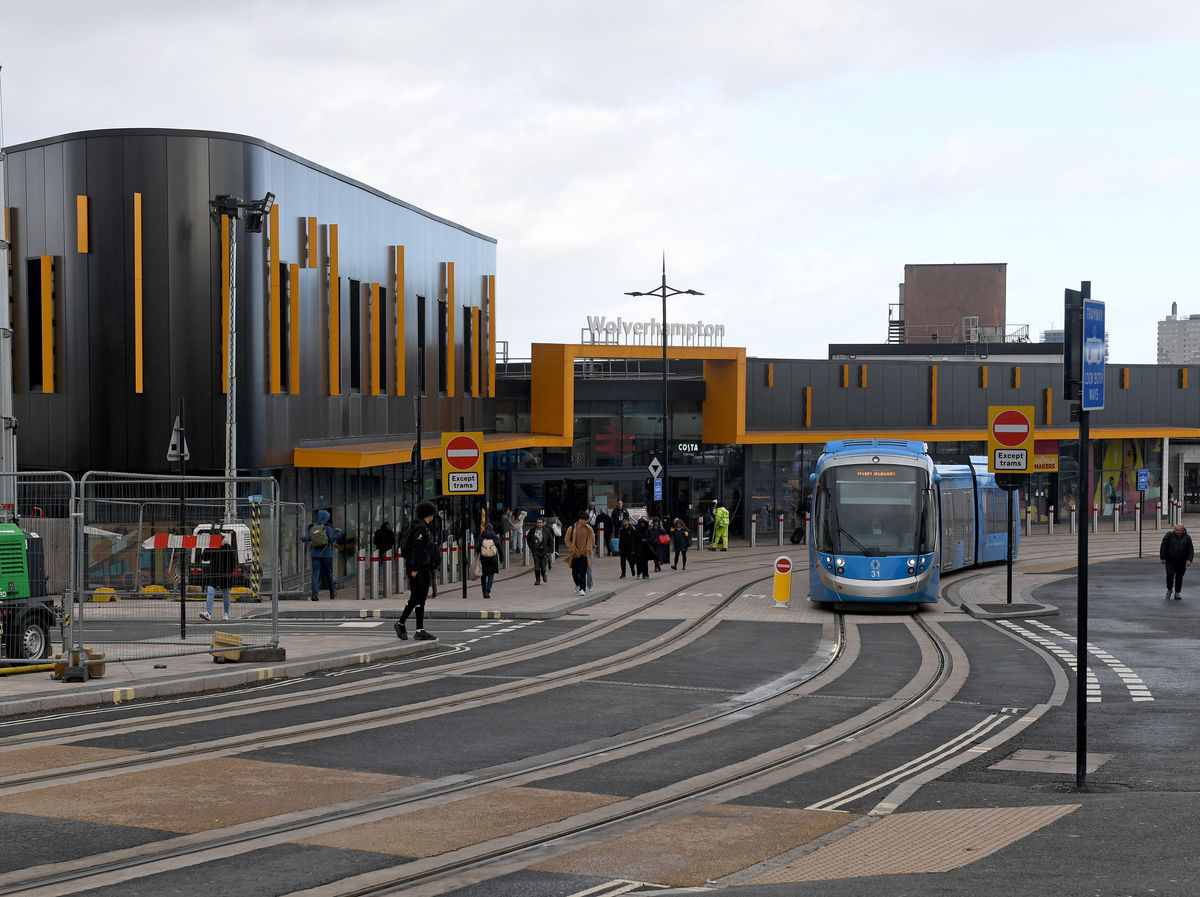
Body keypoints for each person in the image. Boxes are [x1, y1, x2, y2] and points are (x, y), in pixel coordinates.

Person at [397, 501, 438, 640]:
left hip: (422, 567)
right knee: (417, 597)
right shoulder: (420, 528)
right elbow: (417, 548)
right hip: (418, 568)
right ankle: (401, 623)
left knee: (420, 598)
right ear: (430, 514)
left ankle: (419, 629)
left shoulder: (419, 526)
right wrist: (414, 568)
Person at [301, 509, 341, 601]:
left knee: (315, 574)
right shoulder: (328, 527)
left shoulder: (313, 527)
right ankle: (332, 593)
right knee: (329, 574)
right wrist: (339, 532)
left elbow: (306, 538)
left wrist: (301, 538)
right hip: (327, 555)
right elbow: (331, 539)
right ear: (327, 517)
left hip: (315, 555)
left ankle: (315, 594)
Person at [199, 535, 235, 621]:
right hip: (220, 574)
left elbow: (204, 558)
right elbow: (205, 557)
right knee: (220, 593)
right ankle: (208, 612)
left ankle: (225, 613)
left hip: (220, 573)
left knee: (222, 593)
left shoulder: (228, 549)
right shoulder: (219, 547)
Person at [1160, 522, 1194, 600]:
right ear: (1174, 529)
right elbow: (1163, 546)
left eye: (1180, 530)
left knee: (1179, 578)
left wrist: (1189, 559)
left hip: (1181, 562)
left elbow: (1190, 550)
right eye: (1177, 530)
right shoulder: (1169, 535)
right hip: (1170, 561)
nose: (1178, 532)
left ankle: (1177, 592)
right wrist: (1163, 558)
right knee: (1170, 575)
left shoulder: (1187, 537)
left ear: (1183, 530)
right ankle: (1169, 589)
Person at [565, 510, 595, 595]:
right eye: (584, 520)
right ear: (580, 519)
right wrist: (572, 548)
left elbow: (592, 539)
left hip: (585, 554)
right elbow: (566, 540)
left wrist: (588, 548)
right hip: (575, 554)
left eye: (586, 520)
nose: (586, 522)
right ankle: (577, 585)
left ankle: (583, 589)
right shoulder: (572, 528)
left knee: (583, 572)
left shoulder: (589, 528)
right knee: (574, 572)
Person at [477, 522, 500, 599]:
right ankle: (488, 589)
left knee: (483, 576)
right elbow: (499, 547)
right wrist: (502, 558)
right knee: (491, 575)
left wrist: (477, 554)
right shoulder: (494, 537)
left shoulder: (482, 536)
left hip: (484, 559)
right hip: (493, 559)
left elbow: (477, 547)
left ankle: (484, 590)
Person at [372, 520, 396, 596]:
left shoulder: (378, 532)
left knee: (378, 567)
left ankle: (377, 581)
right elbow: (393, 542)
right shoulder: (390, 532)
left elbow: (375, 541)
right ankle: (387, 582)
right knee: (387, 567)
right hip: (388, 552)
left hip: (380, 551)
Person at [529, 517, 552, 585]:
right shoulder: (532, 530)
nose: (538, 524)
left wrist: (550, 551)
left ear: (542, 523)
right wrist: (531, 547)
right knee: (537, 566)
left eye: (540, 522)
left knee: (543, 567)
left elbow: (551, 541)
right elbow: (528, 539)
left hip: (544, 551)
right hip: (536, 551)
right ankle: (537, 580)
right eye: (537, 522)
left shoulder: (546, 530)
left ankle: (544, 575)